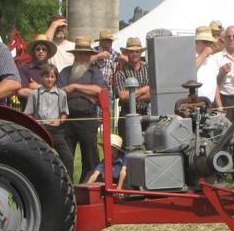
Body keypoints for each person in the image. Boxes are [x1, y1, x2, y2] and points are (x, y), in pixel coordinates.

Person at [58, 36, 108, 182]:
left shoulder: (94, 72)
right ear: (75, 55)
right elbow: (61, 92)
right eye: (79, 53)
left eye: (85, 53)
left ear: (89, 55)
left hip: (88, 118)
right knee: (66, 156)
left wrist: (75, 87)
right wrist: (85, 93)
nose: (82, 56)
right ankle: (66, 185)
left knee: (90, 156)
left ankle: (89, 187)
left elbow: (98, 90)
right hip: (68, 119)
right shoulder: (65, 72)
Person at [113, 37, 150, 136]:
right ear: (127, 53)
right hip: (126, 115)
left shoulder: (149, 70)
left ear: (141, 53)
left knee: (150, 148)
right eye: (131, 51)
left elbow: (153, 94)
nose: (135, 54)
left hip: (146, 113)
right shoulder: (120, 73)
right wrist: (145, 89)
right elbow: (123, 96)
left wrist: (132, 96)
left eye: (137, 51)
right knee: (126, 148)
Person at [22, 63, 68, 130]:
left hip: (56, 129)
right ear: (42, 77)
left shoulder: (61, 94)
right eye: (46, 76)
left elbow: (65, 113)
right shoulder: (34, 94)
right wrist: (34, 122)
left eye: (52, 77)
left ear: (56, 78)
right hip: (39, 129)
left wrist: (59, 121)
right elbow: (28, 114)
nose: (49, 79)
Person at [18, 35, 57, 106]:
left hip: (50, 113)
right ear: (33, 52)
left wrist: (37, 87)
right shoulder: (24, 68)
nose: (41, 51)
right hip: (29, 112)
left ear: (48, 53)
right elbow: (21, 91)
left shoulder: (53, 70)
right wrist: (47, 90)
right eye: (38, 49)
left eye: (44, 49)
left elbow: (58, 93)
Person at [192, 26, 219, 106]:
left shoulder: (212, 59)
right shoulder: (190, 56)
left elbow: (215, 82)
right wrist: (203, 54)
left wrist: (219, 105)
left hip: (210, 103)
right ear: (196, 42)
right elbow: (190, 70)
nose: (207, 45)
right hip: (194, 104)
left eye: (210, 42)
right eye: (204, 42)